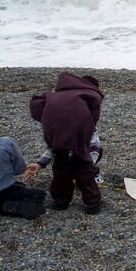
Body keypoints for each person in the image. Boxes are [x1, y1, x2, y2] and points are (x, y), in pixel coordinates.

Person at [29, 72, 105, 213]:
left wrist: (47, 118)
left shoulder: (58, 95)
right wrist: (89, 163)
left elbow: (37, 104)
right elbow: (94, 142)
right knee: (83, 168)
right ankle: (93, 204)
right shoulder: (89, 97)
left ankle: (60, 202)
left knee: (60, 165)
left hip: (54, 126)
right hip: (79, 131)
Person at [25, 130, 102, 185]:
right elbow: (53, 148)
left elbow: (95, 149)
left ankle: (91, 172)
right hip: (66, 158)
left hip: (84, 158)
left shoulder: (87, 124)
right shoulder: (58, 126)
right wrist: (40, 164)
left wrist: (86, 169)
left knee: (85, 179)